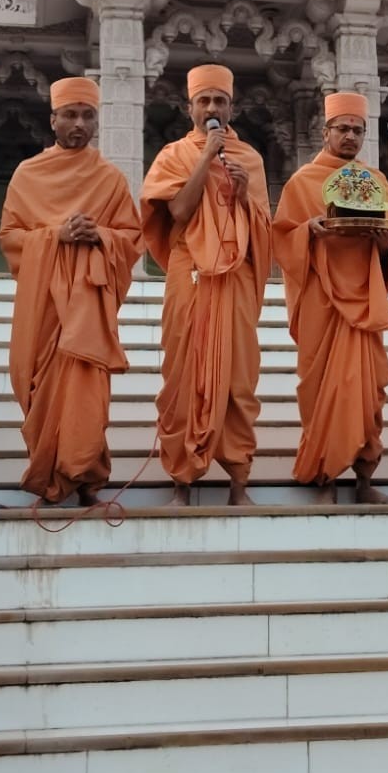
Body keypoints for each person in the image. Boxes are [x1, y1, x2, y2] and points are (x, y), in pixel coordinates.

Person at [0, 77, 142, 506]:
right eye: (70, 115)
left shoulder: (110, 178)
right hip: (43, 305)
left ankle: (87, 481)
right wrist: (56, 235)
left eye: (88, 115)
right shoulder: (29, 174)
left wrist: (99, 234)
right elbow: (9, 236)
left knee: (87, 395)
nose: (79, 123)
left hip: (87, 307)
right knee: (38, 386)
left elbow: (132, 239)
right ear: (53, 120)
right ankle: (47, 479)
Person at [140, 64, 272, 506]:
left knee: (237, 379)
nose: (212, 108)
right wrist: (204, 159)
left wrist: (240, 193)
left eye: (220, 101)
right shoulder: (174, 154)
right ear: (190, 107)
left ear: (232, 107)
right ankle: (182, 482)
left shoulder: (248, 158)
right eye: (204, 101)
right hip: (190, 275)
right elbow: (176, 212)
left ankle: (239, 483)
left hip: (235, 279)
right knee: (183, 375)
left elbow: (264, 230)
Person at [273, 92, 388, 504]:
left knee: (369, 394)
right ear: (325, 131)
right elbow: (281, 238)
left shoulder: (377, 181)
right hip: (322, 302)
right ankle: (324, 479)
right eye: (342, 128)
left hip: (364, 301)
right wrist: (309, 229)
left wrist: (387, 244)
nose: (349, 136)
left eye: (357, 130)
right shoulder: (302, 182)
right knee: (320, 391)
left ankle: (365, 480)